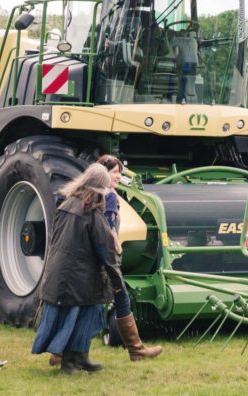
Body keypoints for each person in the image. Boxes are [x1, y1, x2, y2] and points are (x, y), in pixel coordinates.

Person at [31, 163, 123, 374]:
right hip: (77, 278)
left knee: (81, 316)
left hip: (62, 273)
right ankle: (70, 363)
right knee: (78, 318)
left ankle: (81, 358)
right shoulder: (90, 213)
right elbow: (105, 248)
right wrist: (116, 278)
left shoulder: (67, 204)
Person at [96, 154, 163, 361]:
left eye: (119, 172)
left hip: (99, 255)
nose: (118, 176)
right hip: (107, 256)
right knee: (115, 299)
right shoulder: (108, 195)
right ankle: (136, 349)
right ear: (103, 172)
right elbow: (107, 225)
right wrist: (116, 245)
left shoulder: (95, 193)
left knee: (108, 300)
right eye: (114, 172)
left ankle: (136, 349)